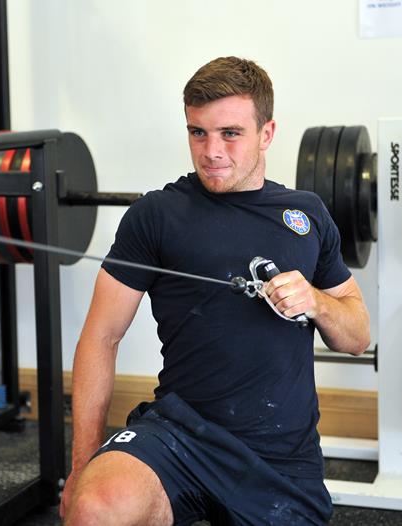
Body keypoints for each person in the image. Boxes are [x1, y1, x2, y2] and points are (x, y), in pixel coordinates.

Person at [60, 56, 371, 525]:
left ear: (266, 133)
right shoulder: (157, 215)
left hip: (280, 455)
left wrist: (318, 301)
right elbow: (100, 338)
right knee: (95, 507)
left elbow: (358, 335)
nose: (211, 151)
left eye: (230, 133)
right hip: (179, 435)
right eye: (197, 132)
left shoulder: (305, 216)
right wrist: (80, 470)